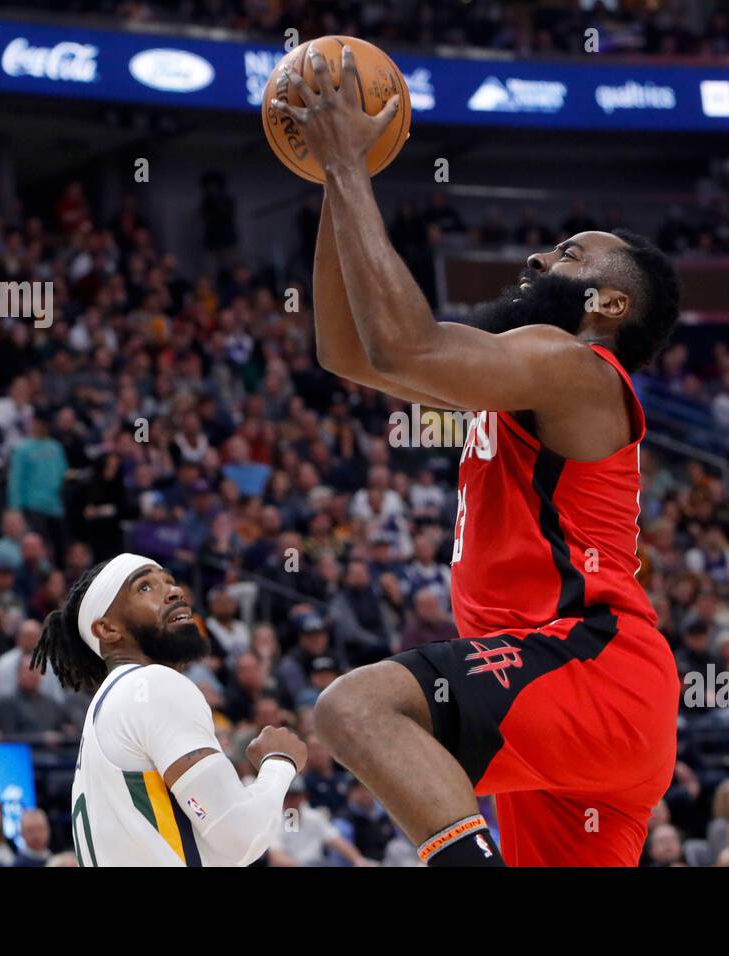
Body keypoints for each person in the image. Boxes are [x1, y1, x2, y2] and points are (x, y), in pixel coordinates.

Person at [272, 46, 682, 867]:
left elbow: (401, 342)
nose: (537, 259)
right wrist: (331, 181)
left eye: (569, 254)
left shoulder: (575, 365)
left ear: (609, 304)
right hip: (575, 711)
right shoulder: (529, 376)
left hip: (585, 661)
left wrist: (352, 164)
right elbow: (351, 351)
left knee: (357, 710)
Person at [30, 553, 306, 866]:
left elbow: (212, 850)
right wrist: (280, 763)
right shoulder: (152, 686)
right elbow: (240, 837)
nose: (174, 592)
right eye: (144, 588)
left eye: (169, 581)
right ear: (107, 629)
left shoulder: (110, 706)